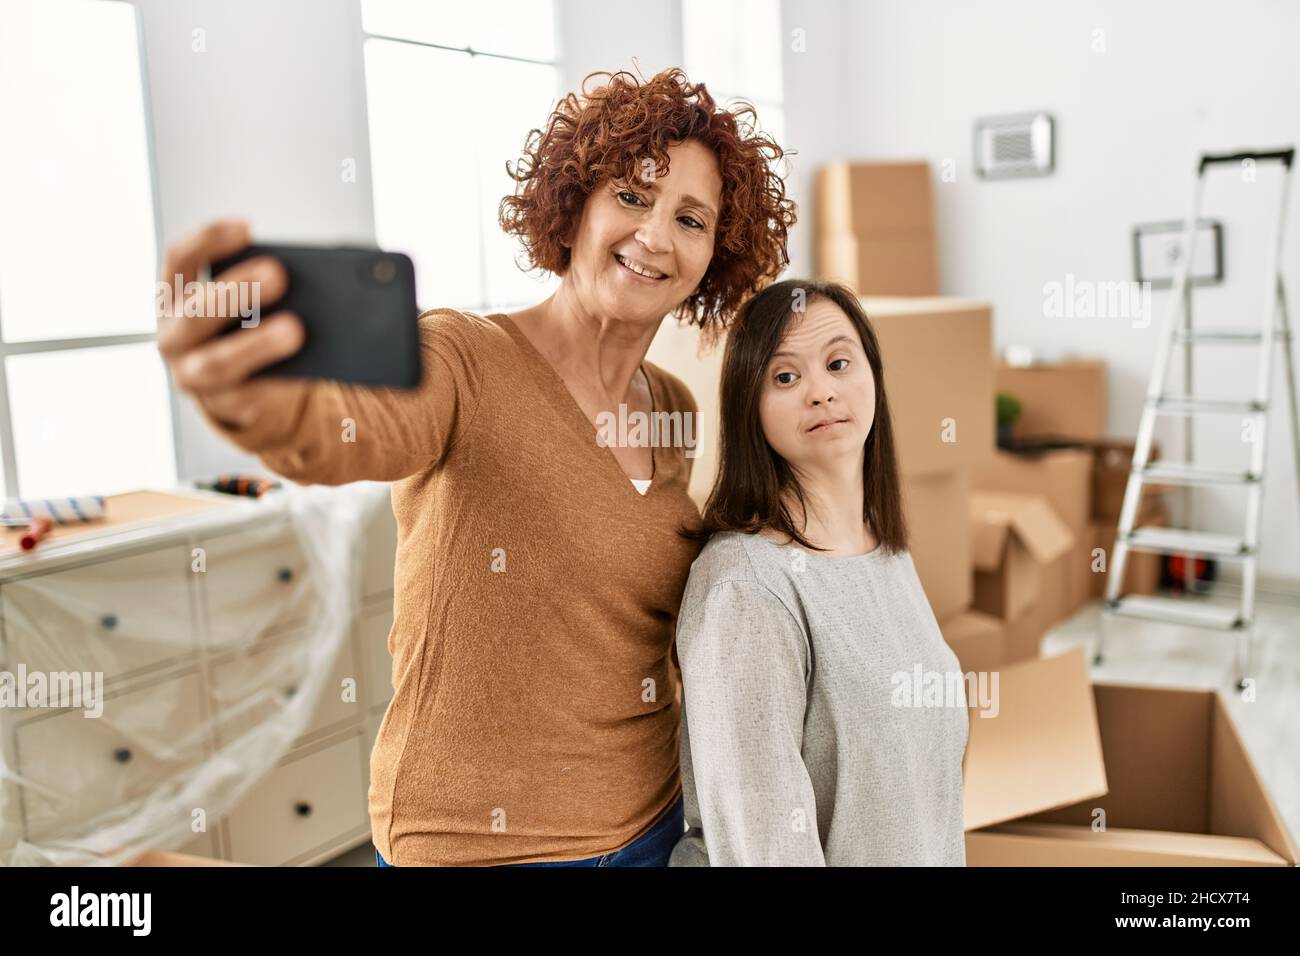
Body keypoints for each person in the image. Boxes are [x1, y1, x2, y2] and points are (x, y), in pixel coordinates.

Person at [155, 67, 796, 866]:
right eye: (632, 196)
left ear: (715, 255)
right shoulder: (464, 356)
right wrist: (257, 404)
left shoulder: (674, 407)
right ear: (575, 205)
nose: (657, 236)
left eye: (691, 219)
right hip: (475, 843)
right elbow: (348, 429)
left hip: (652, 820)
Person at [669, 280, 969, 866]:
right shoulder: (745, 587)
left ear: (873, 376)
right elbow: (764, 845)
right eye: (785, 377)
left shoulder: (885, 549)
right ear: (749, 408)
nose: (821, 393)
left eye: (838, 363)